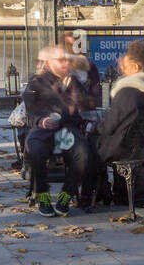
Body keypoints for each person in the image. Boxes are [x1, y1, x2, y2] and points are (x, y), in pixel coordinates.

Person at [21, 45, 94, 217]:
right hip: (42, 130)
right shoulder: (35, 83)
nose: (65, 63)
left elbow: (85, 109)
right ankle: (42, 195)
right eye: (60, 60)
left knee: (83, 152)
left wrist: (77, 90)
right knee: (35, 149)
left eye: (67, 59)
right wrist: (41, 120)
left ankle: (66, 195)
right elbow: (29, 114)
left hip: (67, 129)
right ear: (48, 62)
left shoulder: (74, 82)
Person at [93, 40, 144, 206]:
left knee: (87, 147)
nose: (121, 69)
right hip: (138, 147)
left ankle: (95, 195)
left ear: (136, 67)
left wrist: (93, 127)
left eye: (125, 65)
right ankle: (110, 193)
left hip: (122, 148)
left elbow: (109, 126)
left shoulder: (128, 91)